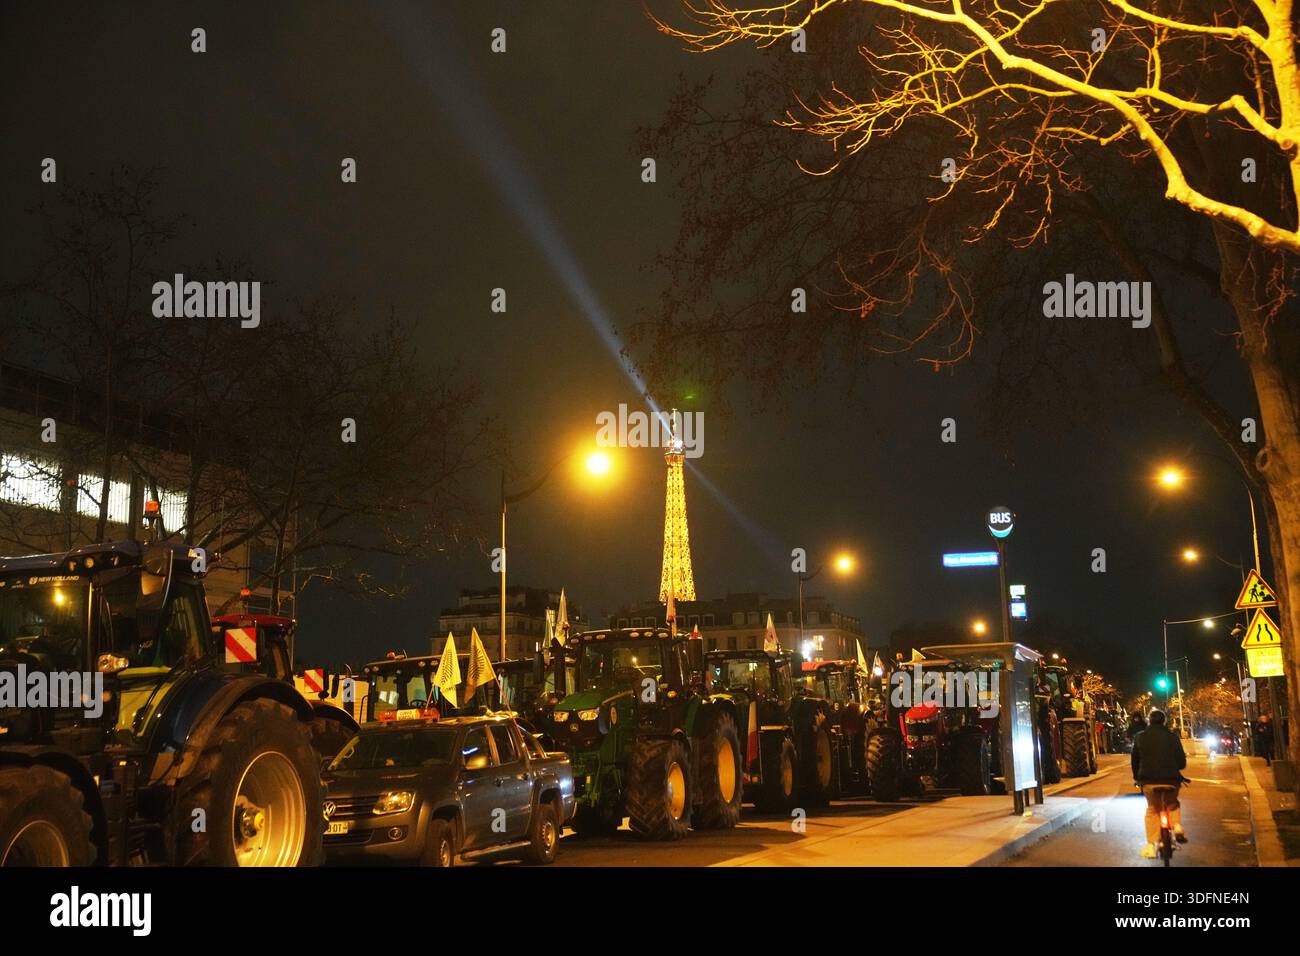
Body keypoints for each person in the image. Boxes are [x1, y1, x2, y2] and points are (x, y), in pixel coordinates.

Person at [1131, 709, 1187, 859]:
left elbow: (1134, 761)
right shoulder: (1173, 737)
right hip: (1171, 780)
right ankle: (1176, 826)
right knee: (1172, 803)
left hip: (1148, 781)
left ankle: (1150, 845)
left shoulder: (1139, 737)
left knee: (1152, 809)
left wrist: (1137, 778)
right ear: (1164, 721)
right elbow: (1181, 763)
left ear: (1149, 721)